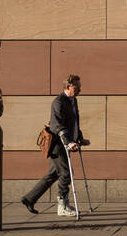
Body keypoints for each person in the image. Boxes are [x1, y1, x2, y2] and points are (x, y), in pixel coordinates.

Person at [22, 75, 88, 218]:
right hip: (58, 144)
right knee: (65, 174)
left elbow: (74, 122)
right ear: (67, 87)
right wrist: (68, 141)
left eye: (79, 87)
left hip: (65, 142)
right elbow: (57, 124)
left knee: (53, 175)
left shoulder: (73, 100)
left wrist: (80, 138)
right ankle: (62, 206)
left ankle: (29, 198)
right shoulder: (58, 102)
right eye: (76, 88)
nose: (80, 90)